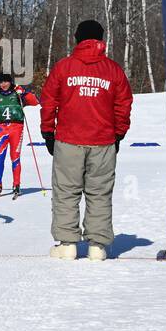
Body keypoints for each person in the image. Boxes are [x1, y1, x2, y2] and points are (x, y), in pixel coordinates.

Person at [40, 19, 133, 261]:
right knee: (99, 193)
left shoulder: (63, 67)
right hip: (103, 142)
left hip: (69, 140)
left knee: (66, 191)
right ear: (101, 40)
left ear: (77, 39)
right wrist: (119, 133)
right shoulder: (113, 70)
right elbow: (123, 105)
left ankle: (68, 244)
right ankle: (97, 246)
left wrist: (48, 131)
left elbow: (49, 101)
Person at [0, 72, 40, 196]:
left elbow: (35, 101)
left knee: (15, 157)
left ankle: (16, 184)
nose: (4, 84)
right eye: (1, 82)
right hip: (2, 128)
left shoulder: (17, 92)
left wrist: (23, 93)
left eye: (6, 81)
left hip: (16, 128)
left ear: (10, 82)